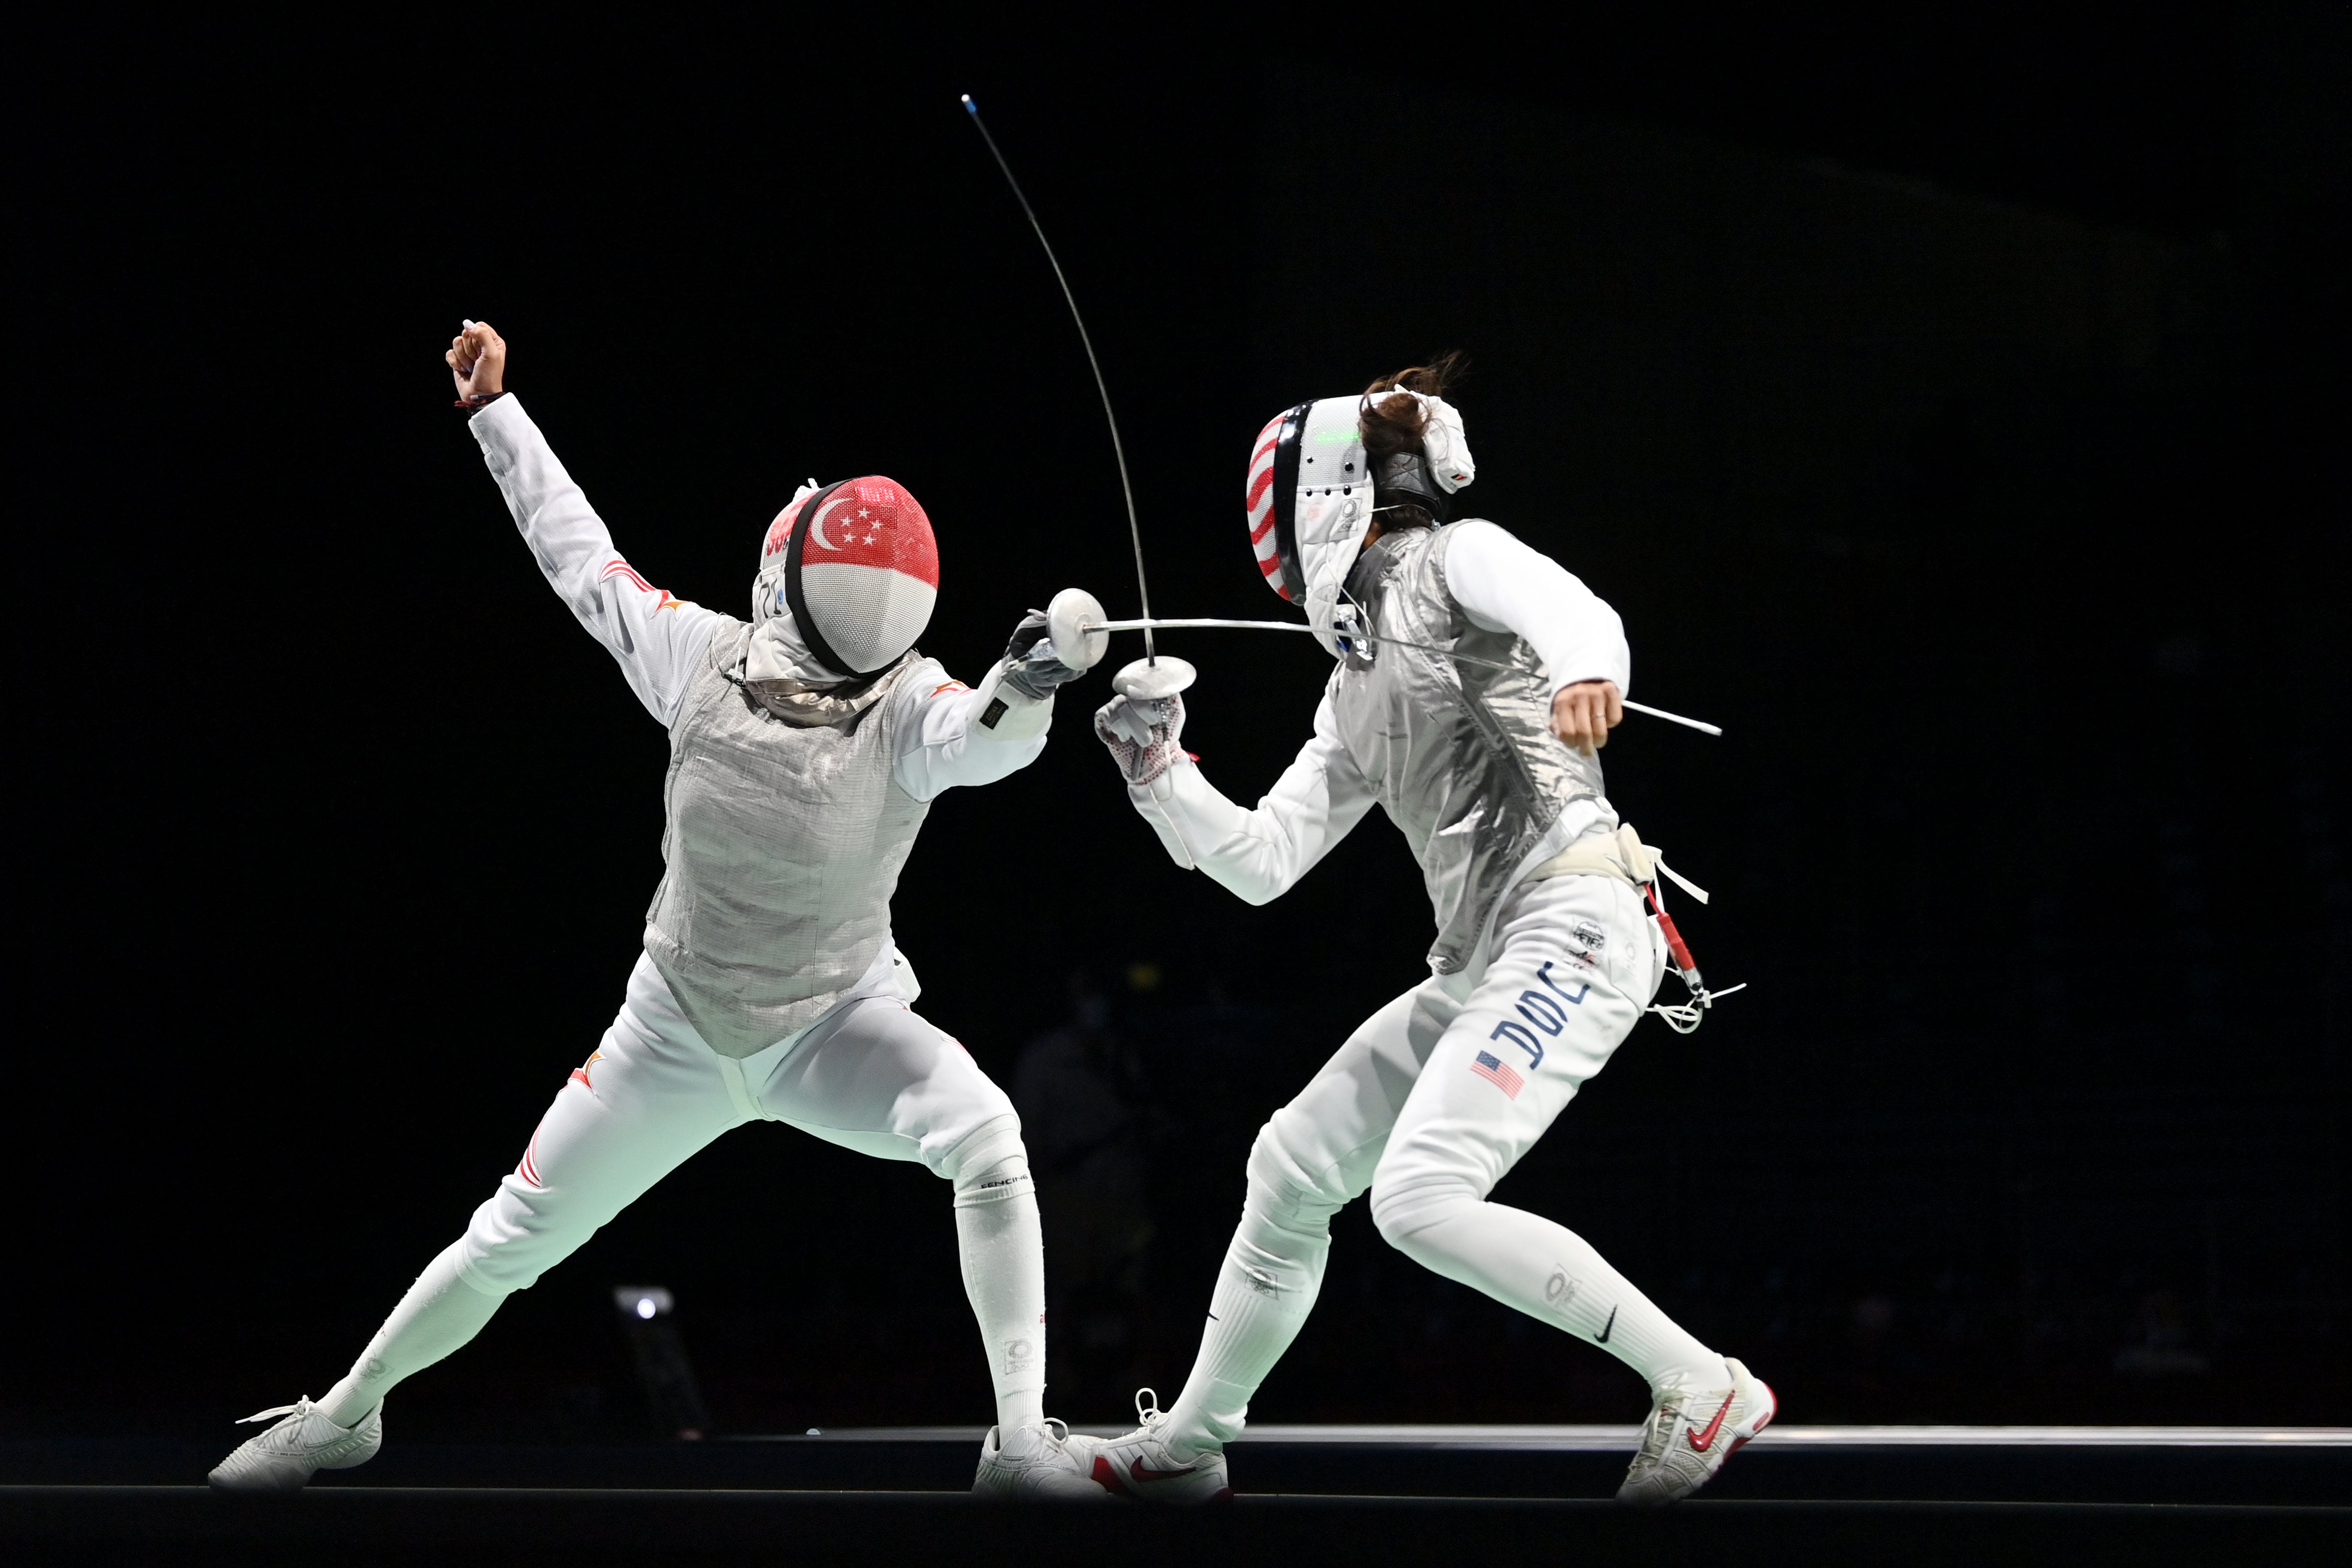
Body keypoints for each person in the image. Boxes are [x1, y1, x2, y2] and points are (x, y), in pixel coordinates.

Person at [207, 321, 1104, 1500]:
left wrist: (1024, 687)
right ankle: (343, 1418)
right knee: (509, 1239)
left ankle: (1021, 1444)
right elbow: (579, 553)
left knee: (986, 1139)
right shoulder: (703, 661)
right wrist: (498, 417)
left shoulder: (909, 707)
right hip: (669, 1033)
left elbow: (981, 742)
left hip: (834, 1026)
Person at [1077, 357, 1771, 1505]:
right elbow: (1260, 863)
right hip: (1490, 957)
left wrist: (1588, 676)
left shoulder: (1459, 558)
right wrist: (1158, 770)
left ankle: (1701, 1386)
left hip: (1577, 916)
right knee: (1293, 1166)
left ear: (1318, 497)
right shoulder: (1350, 687)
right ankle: (1192, 1446)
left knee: (1417, 1196)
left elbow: (1578, 614)